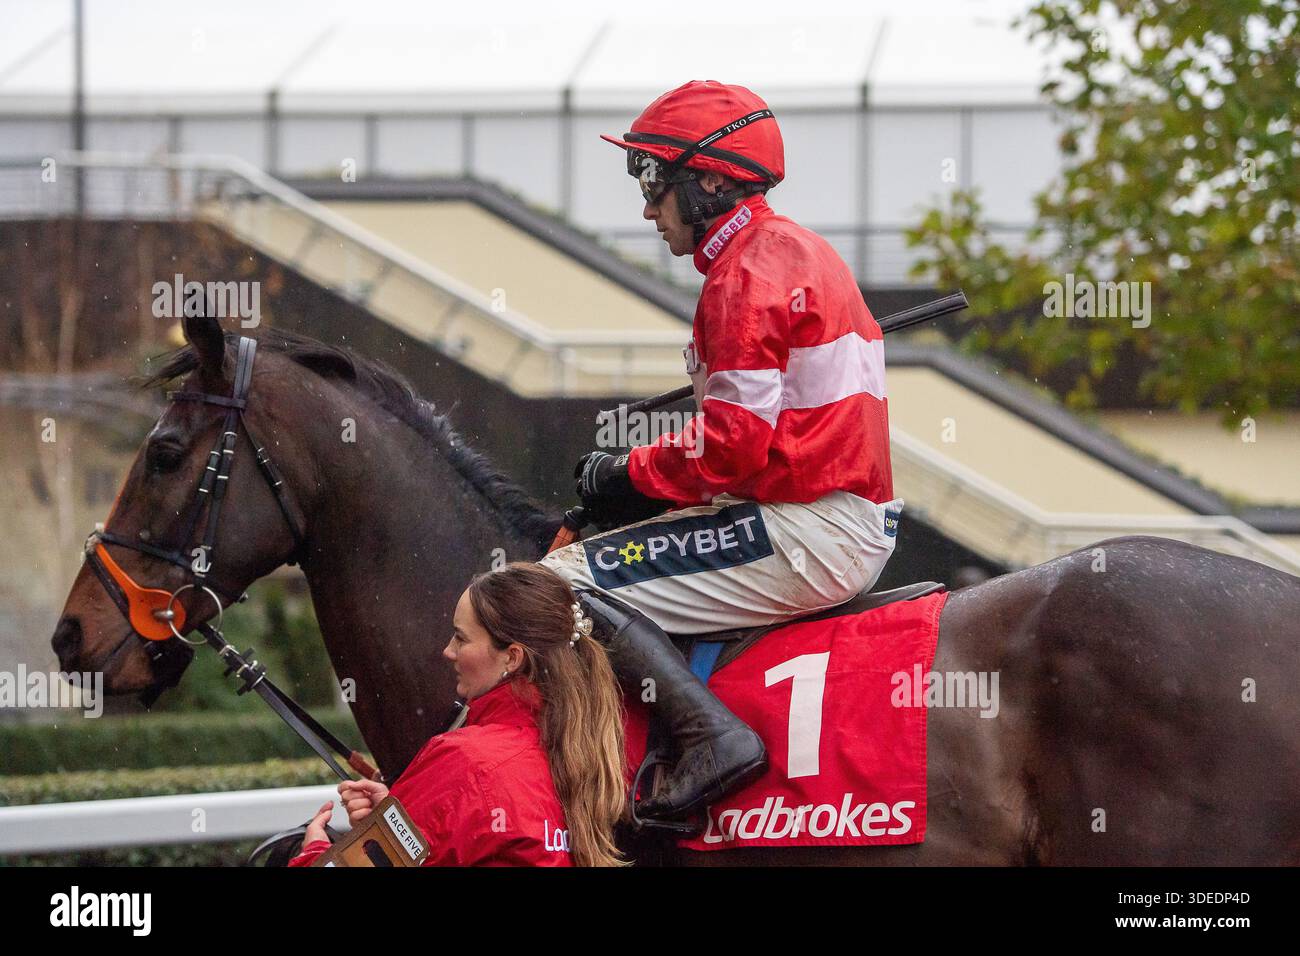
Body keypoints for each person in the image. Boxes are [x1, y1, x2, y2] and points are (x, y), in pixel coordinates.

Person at [541, 80, 903, 826]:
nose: (647, 208)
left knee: (553, 589)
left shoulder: (745, 273)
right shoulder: (790, 249)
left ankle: (712, 739)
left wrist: (626, 472)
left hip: (808, 528)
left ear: (709, 179)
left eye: (654, 182)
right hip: (828, 514)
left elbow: (732, 450)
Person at [290, 563, 627, 867]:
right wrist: (405, 810)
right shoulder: (579, 749)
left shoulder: (468, 761)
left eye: (461, 638)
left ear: (512, 658)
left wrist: (314, 851)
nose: (448, 651)